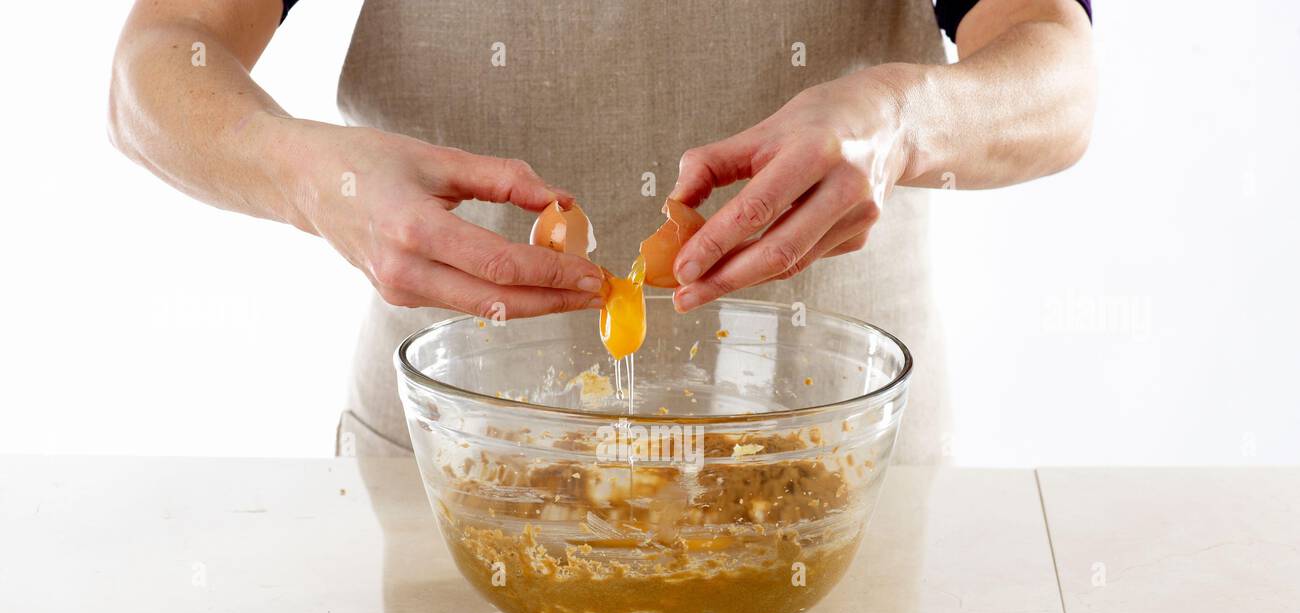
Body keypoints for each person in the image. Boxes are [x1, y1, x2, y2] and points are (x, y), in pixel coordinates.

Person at [109, 0, 1095, 463]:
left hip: (829, 454)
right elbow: (154, 63)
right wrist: (313, 177)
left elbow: (1055, 73)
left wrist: (899, 122)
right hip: (457, 459)